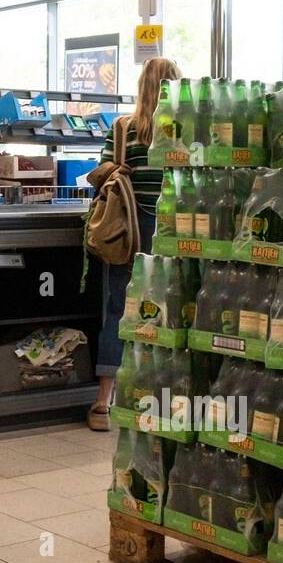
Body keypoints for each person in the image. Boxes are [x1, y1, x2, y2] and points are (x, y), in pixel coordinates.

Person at [90, 56, 182, 431]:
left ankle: (102, 404)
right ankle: (161, 400)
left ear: (142, 85)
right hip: (174, 230)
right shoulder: (181, 129)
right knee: (167, 313)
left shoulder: (123, 128)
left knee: (118, 311)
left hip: (129, 231)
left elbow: (103, 171)